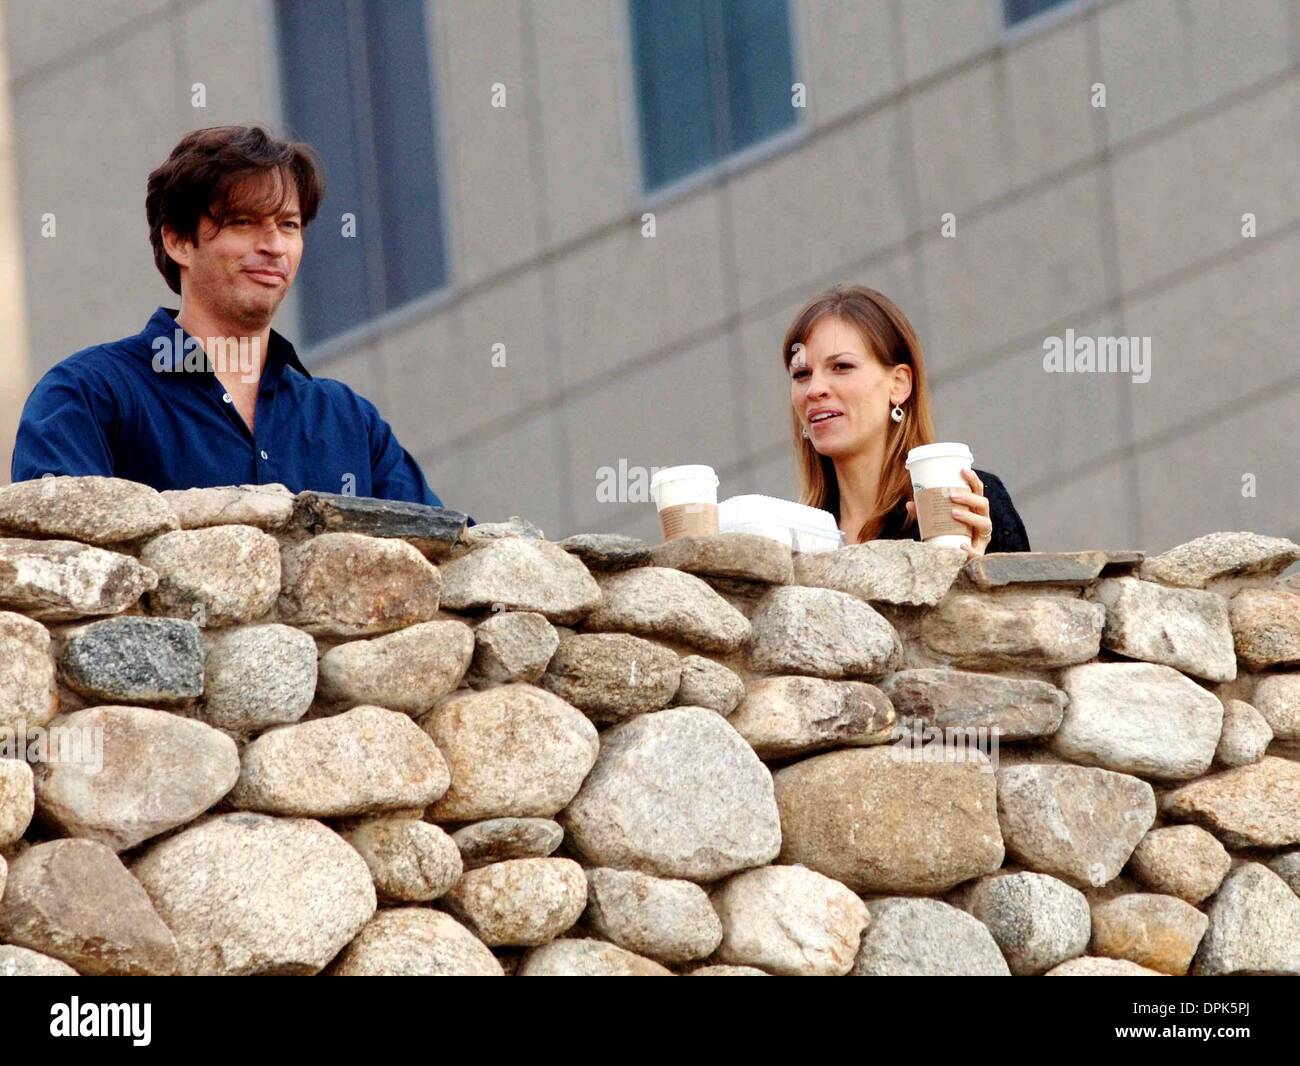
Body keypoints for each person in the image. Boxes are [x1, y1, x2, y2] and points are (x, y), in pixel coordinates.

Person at [11, 125, 455, 514]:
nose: (274, 246)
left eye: (289, 225)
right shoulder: (88, 395)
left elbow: (446, 560)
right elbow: (61, 564)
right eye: (244, 222)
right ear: (179, 241)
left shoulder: (348, 422)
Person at [784, 285, 1029, 556]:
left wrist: (975, 571)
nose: (814, 389)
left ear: (899, 384)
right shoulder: (794, 540)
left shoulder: (967, 504)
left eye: (842, 367)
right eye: (801, 373)